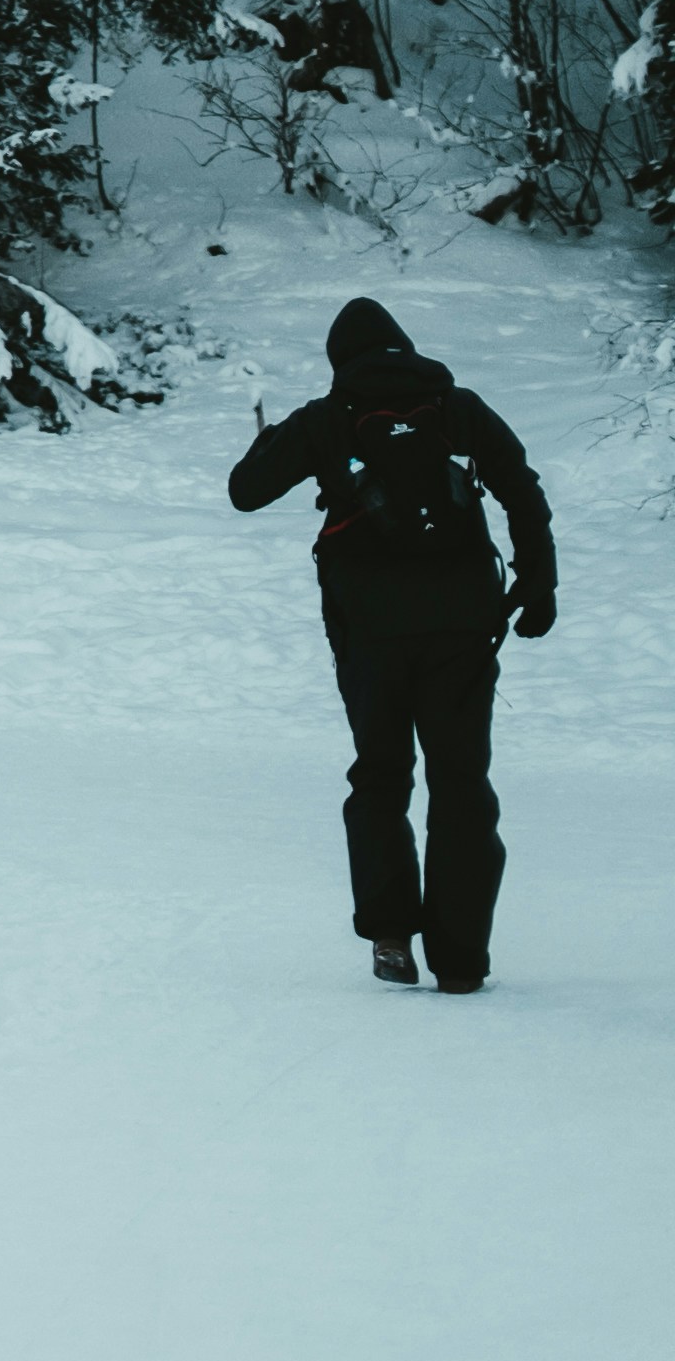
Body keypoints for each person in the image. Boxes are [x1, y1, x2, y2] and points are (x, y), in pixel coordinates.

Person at [227, 297, 556, 994]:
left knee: (381, 775)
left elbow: (246, 493)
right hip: (464, 626)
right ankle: (462, 961)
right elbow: (521, 489)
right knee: (461, 782)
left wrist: (269, 443)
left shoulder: (326, 418)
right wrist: (538, 583)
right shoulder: (457, 406)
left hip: (369, 629)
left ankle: (390, 935)